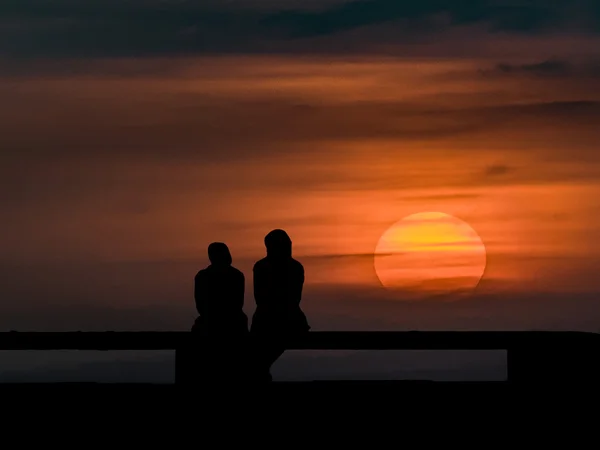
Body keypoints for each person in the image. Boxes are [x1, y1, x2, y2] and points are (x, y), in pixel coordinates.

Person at [250, 229, 310, 381]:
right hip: (286, 321)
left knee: (257, 363)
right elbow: (294, 298)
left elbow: (261, 298)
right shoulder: (295, 267)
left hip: (274, 321)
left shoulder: (262, 267)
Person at [185, 242, 248, 384]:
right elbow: (238, 304)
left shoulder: (202, 276)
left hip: (212, 324)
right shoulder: (237, 275)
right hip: (232, 325)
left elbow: (200, 305)